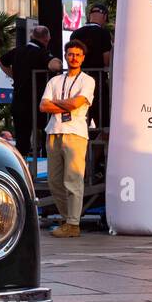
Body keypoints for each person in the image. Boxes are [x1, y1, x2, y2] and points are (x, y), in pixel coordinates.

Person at [39, 40, 96, 238]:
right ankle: (67, 218)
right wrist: (65, 104)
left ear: (83, 58)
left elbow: (76, 104)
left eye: (78, 54)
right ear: (65, 55)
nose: (73, 58)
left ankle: (73, 223)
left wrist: (56, 103)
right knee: (54, 181)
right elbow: (43, 106)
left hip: (75, 133)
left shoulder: (87, 80)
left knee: (73, 180)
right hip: (54, 131)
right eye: (70, 54)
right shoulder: (54, 81)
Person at [1, 25, 61, 157]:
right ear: (47, 39)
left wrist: (13, 75)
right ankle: (47, 171)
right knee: (47, 137)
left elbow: (1, 61)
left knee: (22, 143)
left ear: (32, 36)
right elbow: (54, 65)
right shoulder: (41, 53)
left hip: (19, 103)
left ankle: (22, 171)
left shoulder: (17, 50)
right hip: (39, 103)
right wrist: (58, 63)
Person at [70, 3, 114, 131]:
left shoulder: (75, 33)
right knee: (103, 122)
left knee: (80, 120)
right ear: (104, 17)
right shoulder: (103, 33)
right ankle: (100, 149)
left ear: (89, 16)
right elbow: (106, 59)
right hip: (97, 81)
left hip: (78, 80)